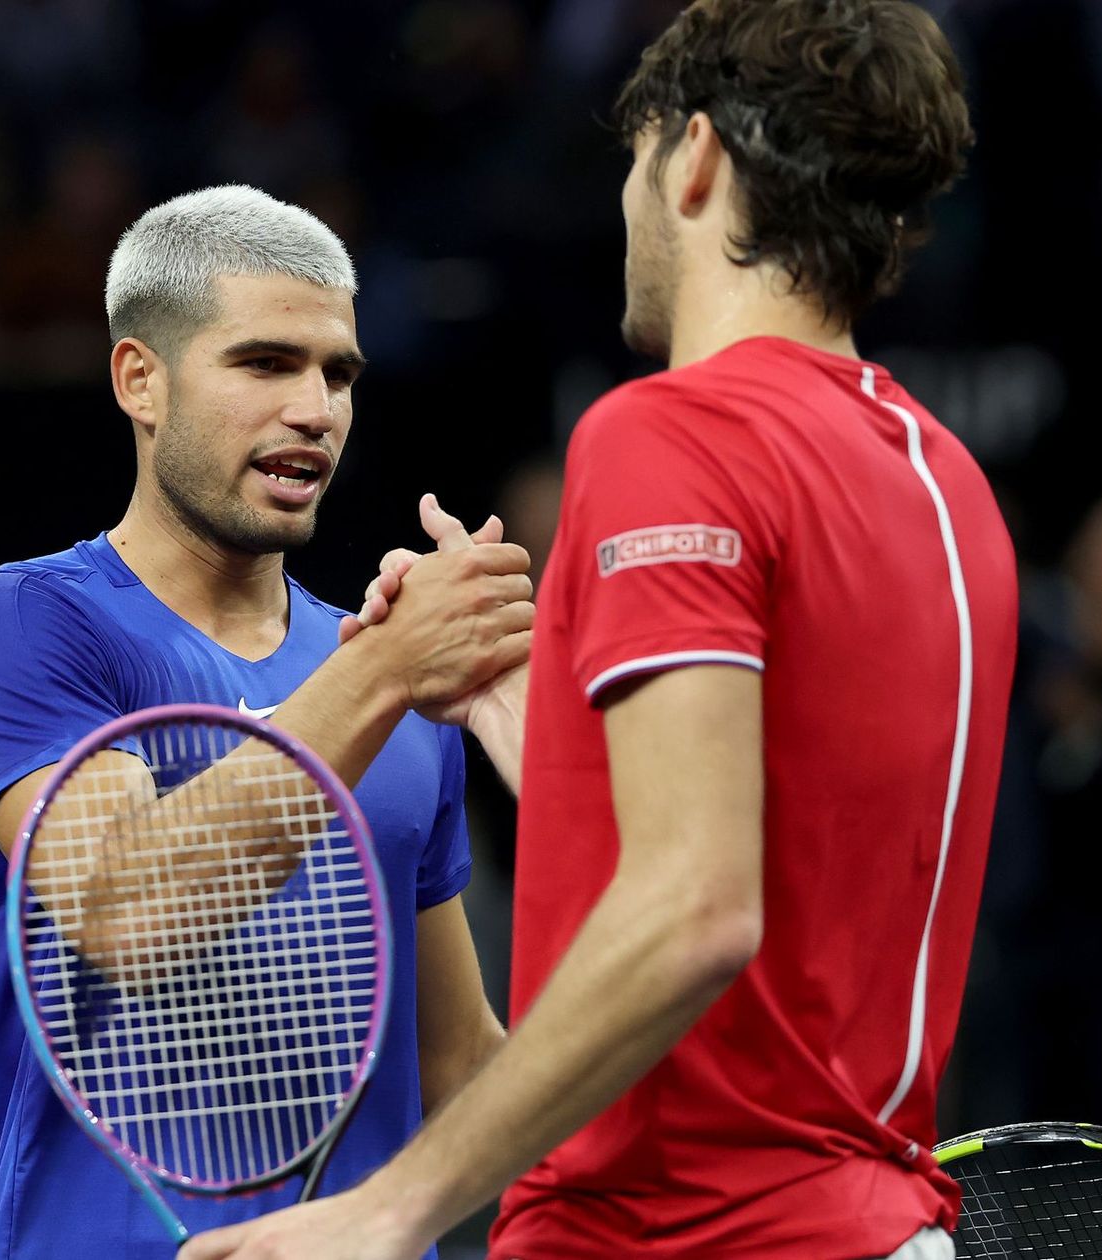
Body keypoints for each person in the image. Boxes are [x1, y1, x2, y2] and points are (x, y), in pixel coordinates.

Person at [181, 3, 1015, 1257]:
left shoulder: (669, 431)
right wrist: (520, 706)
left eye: (632, 164)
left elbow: (697, 907)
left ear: (696, 160)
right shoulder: (945, 481)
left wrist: (387, 1210)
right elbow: (791, 859)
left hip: (682, 1237)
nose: (625, 208)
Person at [0, 186, 529, 1258]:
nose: (317, 408)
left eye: (339, 373)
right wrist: (385, 670)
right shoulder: (16, 629)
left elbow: (462, 1064)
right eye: (265, 363)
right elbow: (131, 919)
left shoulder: (398, 688)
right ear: (139, 379)